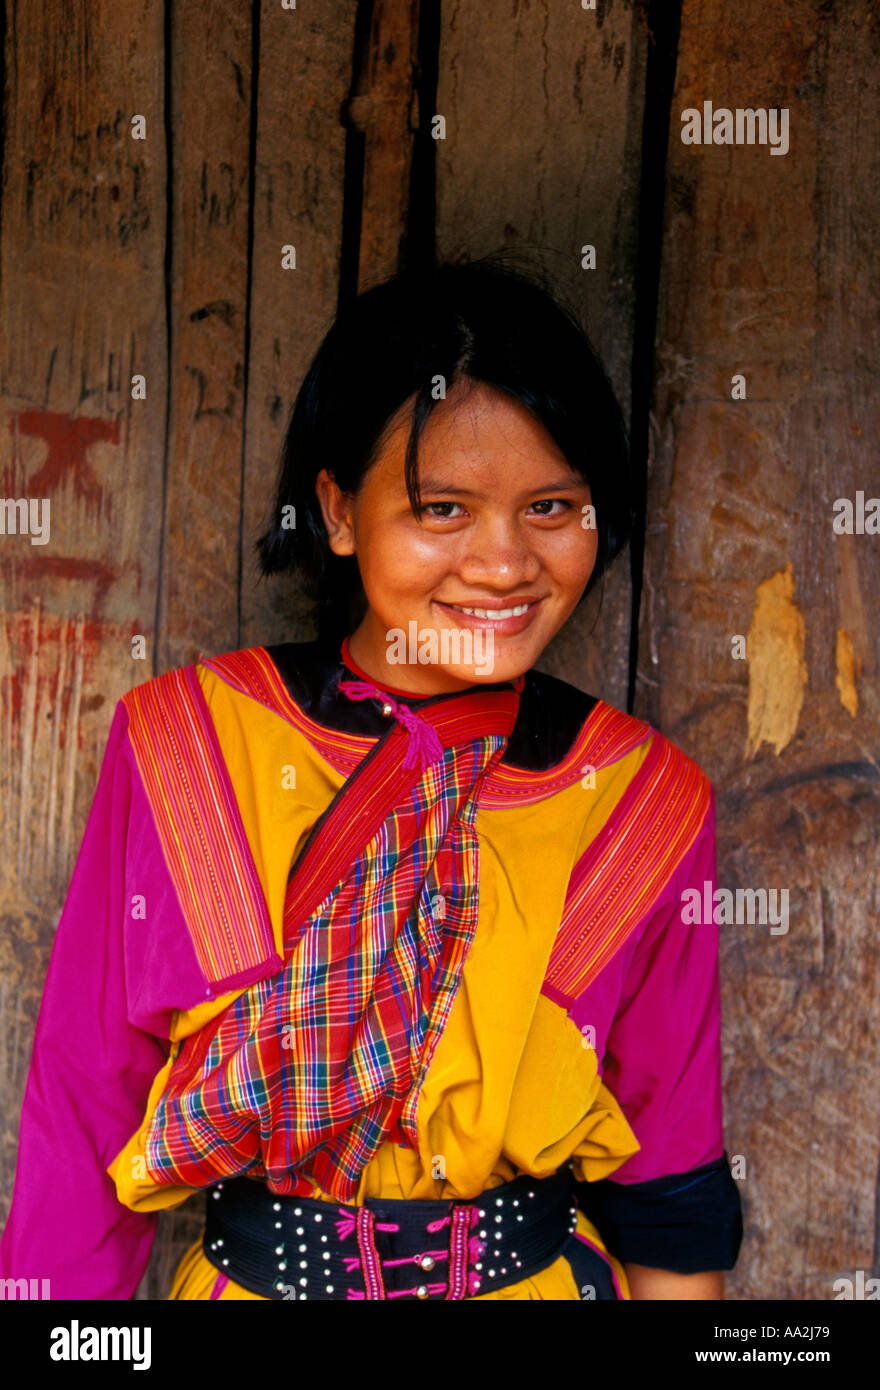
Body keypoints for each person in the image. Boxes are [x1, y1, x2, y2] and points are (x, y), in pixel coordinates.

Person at [0, 257, 742, 1301]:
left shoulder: (641, 801)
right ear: (340, 513)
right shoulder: (189, 748)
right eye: (441, 509)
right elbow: (87, 1114)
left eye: (550, 507)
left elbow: (667, 1174)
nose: (501, 562)